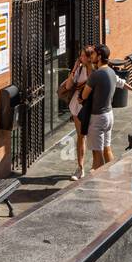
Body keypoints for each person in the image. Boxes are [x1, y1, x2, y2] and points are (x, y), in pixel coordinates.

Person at [77, 44, 132, 174]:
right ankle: (113, 176)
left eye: (94, 54)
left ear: (100, 56)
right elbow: (122, 83)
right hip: (109, 116)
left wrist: (82, 96)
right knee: (107, 149)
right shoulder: (112, 72)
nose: (92, 57)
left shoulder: (96, 75)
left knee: (97, 154)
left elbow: (84, 96)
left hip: (97, 119)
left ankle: (98, 182)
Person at [58, 46, 94, 180]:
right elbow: (67, 87)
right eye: (80, 55)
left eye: (83, 56)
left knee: (95, 137)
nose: (80, 58)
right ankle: (80, 168)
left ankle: (98, 166)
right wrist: (74, 69)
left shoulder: (96, 70)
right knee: (81, 136)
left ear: (90, 58)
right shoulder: (79, 69)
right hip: (77, 105)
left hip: (92, 106)